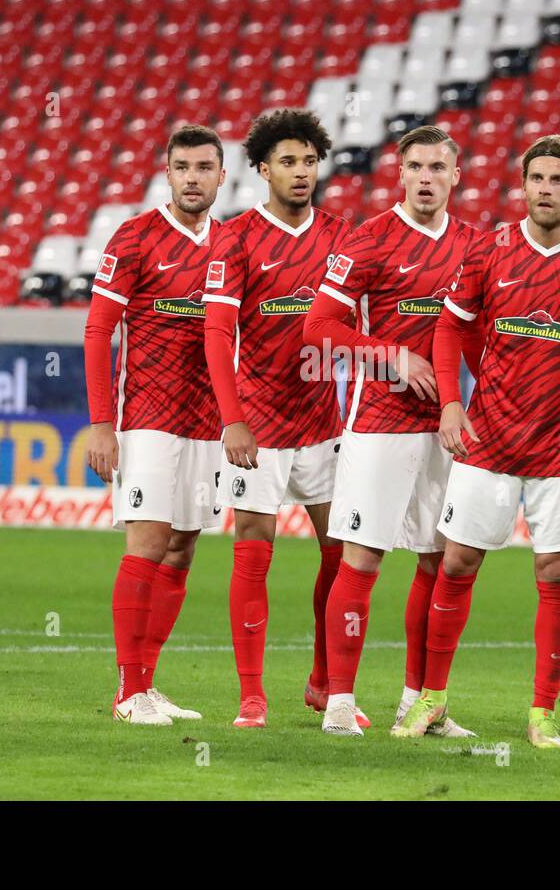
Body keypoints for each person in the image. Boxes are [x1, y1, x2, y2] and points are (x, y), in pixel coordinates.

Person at [392, 135, 560, 749]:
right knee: (455, 562)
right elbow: (449, 329)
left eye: (559, 180)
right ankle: (431, 698)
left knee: (555, 571)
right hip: (490, 440)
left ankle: (541, 714)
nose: (546, 190)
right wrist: (451, 403)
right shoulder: (489, 251)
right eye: (537, 179)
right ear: (523, 185)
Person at [300, 125, 483, 737]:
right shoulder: (368, 240)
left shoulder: (476, 247)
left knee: (439, 560)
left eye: (438, 167)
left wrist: (483, 403)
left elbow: (481, 339)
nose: (427, 177)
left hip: (448, 425)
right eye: (416, 167)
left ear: (456, 175)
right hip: (379, 423)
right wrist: (391, 357)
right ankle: (341, 705)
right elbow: (318, 329)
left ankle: (419, 704)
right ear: (399, 174)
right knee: (363, 556)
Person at [202, 109, 351, 729]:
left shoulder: (344, 235)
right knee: (253, 551)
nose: (300, 172)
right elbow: (216, 333)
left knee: (343, 555)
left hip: (324, 424)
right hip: (258, 425)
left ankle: (325, 683)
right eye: (288, 161)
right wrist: (231, 419)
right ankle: (252, 695)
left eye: (309, 161)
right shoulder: (234, 238)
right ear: (262, 170)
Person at [83, 124, 226, 725]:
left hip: (208, 421)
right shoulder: (136, 236)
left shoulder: (230, 243)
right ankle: (126, 693)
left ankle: (148, 684)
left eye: (205, 168)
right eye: (183, 167)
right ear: (167, 173)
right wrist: (100, 424)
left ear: (223, 176)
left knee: (183, 547)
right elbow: (97, 331)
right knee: (147, 542)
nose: (193, 178)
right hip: (147, 419)